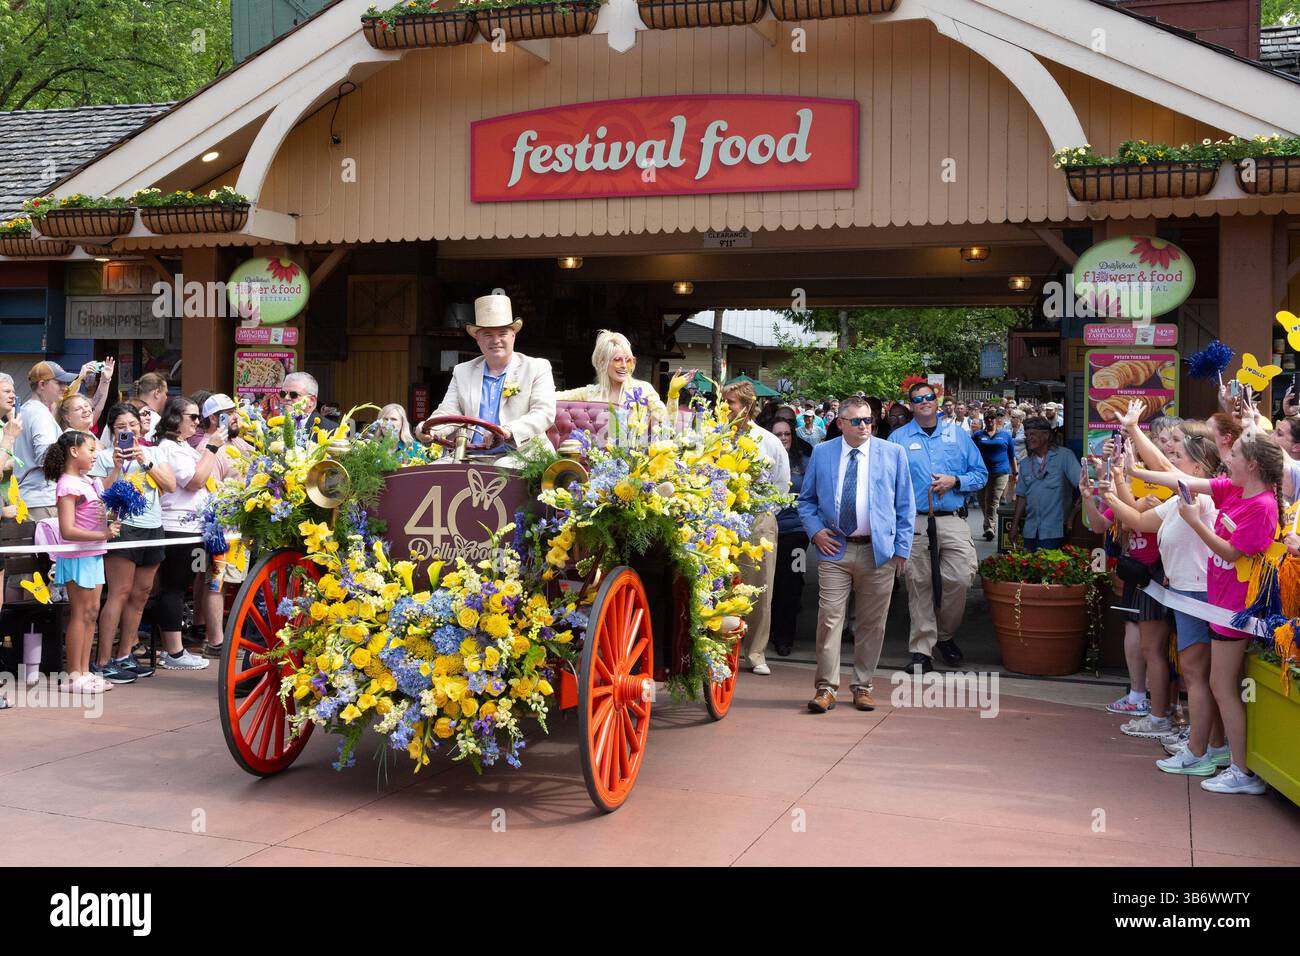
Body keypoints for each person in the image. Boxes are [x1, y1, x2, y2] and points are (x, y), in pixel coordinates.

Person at [1130, 433, 1282, 795]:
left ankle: (1241, 770)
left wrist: (1194, 520)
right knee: (1216, 683)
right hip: (1216, 602)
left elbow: (1231, 553)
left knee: (1222, 686)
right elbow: (1178, 478)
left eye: (1236, 454)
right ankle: (1224, 756)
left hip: (1235, 609)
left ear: (1253, 465)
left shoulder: (1262, 505)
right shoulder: (1234, 489)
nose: (1228, 458)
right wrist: (1132, 470)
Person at [1099, 431, 1221, 753]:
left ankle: (1201, 747)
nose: (1171, 461)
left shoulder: (1204, 500)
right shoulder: (1177, 501)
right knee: (1195, 671)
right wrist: (1108, 488)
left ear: (1197, 469)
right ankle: (1204, 739)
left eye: (1179, 456)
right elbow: (1137, 518)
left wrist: (1135, 438)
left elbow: (1163, 467)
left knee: (1198, 673)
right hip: (1183, 594)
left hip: (1202, 595)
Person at [799, 397, 914, 712]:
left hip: (878, 552)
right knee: (830, 619)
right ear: (840, 423)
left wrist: (901, 549)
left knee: (871, 624)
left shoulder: (893, 453)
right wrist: (815, 531)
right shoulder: (823, 453)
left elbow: (905, 505)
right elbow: (806, 500)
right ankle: (826, 688)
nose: (865, 426)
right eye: (857, 421)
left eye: (869, 420)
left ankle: (863, 686)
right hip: (835, 547)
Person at [890, 381, 987, 672]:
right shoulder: (898, 439)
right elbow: (887, 483)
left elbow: (980, 474)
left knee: (960, 578)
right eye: (917, 399)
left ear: (937, 400)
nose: (924, 402)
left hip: (952, 518)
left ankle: (944, 636)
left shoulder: (957, 435)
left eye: (929, 397)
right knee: (919, 584)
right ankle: (921, 650)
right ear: (910, 405)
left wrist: (955, 481)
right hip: (916, 520)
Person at [89, 403, 173, 684]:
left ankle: (125, 655)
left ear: (141, 426)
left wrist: (145, 462)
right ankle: (103, 661)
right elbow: (102, 495)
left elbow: (170, 485)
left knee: (141, 593)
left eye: (132, 425)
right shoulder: (102, 457)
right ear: (112, 431)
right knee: (120, 592)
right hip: (122, 528)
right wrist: (116, 466)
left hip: (153, 526)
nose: (128, 431)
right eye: (121, 427)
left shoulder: (154, 452)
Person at [417, 293, 556, 454]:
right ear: (477, 339)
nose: (495, 340)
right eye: (488, 334)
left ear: (513, 335)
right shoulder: (462, 371)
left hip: (520, 456)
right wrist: (429, 428)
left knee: (502, 471)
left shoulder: (537, 367)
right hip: (469, 455)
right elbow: (448, 411)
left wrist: (507, 431)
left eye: (502, 333)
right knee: (431, 475)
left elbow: (543, 413)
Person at [44, 430, 121, 693]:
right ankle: (73, 675)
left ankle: (85, 671)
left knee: (91, 613)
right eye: (90, 450)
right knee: (81, 613)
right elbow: (67, 530)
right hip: (77, 557)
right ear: (74, 452)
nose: (94, 455)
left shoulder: (88, 481)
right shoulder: (67, 484)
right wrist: (103, 533)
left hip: (93, 554)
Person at [722, 380, 790, 676]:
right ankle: (721, 648)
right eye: (723, 402)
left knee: (759, 588)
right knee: (721, 585)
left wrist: (762, 514)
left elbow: (782, 485)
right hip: (720, 520)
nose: (725, 407)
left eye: (732, 402)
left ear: (747, 407)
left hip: (757, 520)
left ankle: (755, 651)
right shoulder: (715, 437)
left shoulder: (769, 442)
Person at [152, 397, 223, 669]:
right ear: (174, 419)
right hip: (176, 528)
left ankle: (177, 648)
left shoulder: (184, 446)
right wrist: (212, 447)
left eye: (198, 417)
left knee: (184, 587)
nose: (197, 422)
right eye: (192, 417)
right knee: (174, 588)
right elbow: (195, 481)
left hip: (193, 528)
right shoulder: (169, 447)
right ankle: (173, 651)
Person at [555, 329, 667, 424]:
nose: (624, 366)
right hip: (595, 449)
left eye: (628, 360)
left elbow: (666, 420)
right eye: (617, 360)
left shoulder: (643, 389)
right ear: (602, 362)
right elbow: (553, 397)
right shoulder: (590, 393)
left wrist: (673, 395)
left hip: (635, 449)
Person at [769, 418, 811, 657]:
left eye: (787, 434)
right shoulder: (762, 461)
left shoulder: (804, 463)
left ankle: (786, 636)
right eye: (778, 434)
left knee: (793, 583)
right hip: (768, 529)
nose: (783, 438)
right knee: (770, 584)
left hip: (797, 533)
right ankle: (771, 631)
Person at [1009, 416, 1081, 551]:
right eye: (1027, 435)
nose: (1029, 438)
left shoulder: (1064, 456)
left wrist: (1073, 516)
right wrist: (1014, 525)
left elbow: (1083, 486)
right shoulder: (1025, 463)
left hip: (1055, 530)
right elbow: (1021, 496)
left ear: (1046, 435)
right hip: (1030, 530)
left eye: (1033, 434)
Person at [971, 408, 1017, 541]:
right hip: (981, 472)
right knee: (982, 500)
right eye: (987, 419)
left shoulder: (1005, 435)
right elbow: (970, 453)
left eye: (992, 418)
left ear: (996, 420)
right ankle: (988, 523)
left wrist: (1015, 472)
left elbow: (1011, 455)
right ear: (984, 421)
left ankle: (990, 527)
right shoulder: (978, 436)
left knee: (993, 499)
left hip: (1000, 472)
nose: (990, 421)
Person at [134, 372, 169, 443]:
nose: (166, 397)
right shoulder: (158, 422)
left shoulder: (119, 416)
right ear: (157, 393)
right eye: (165, 393)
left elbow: (104, 445)